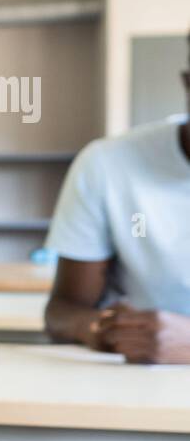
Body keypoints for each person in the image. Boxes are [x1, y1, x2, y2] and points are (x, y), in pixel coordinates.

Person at [44, 30, 190, 363]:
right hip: (136, 385)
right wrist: (103, 328)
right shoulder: (107, 164)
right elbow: (62, 311)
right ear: (186, 84)